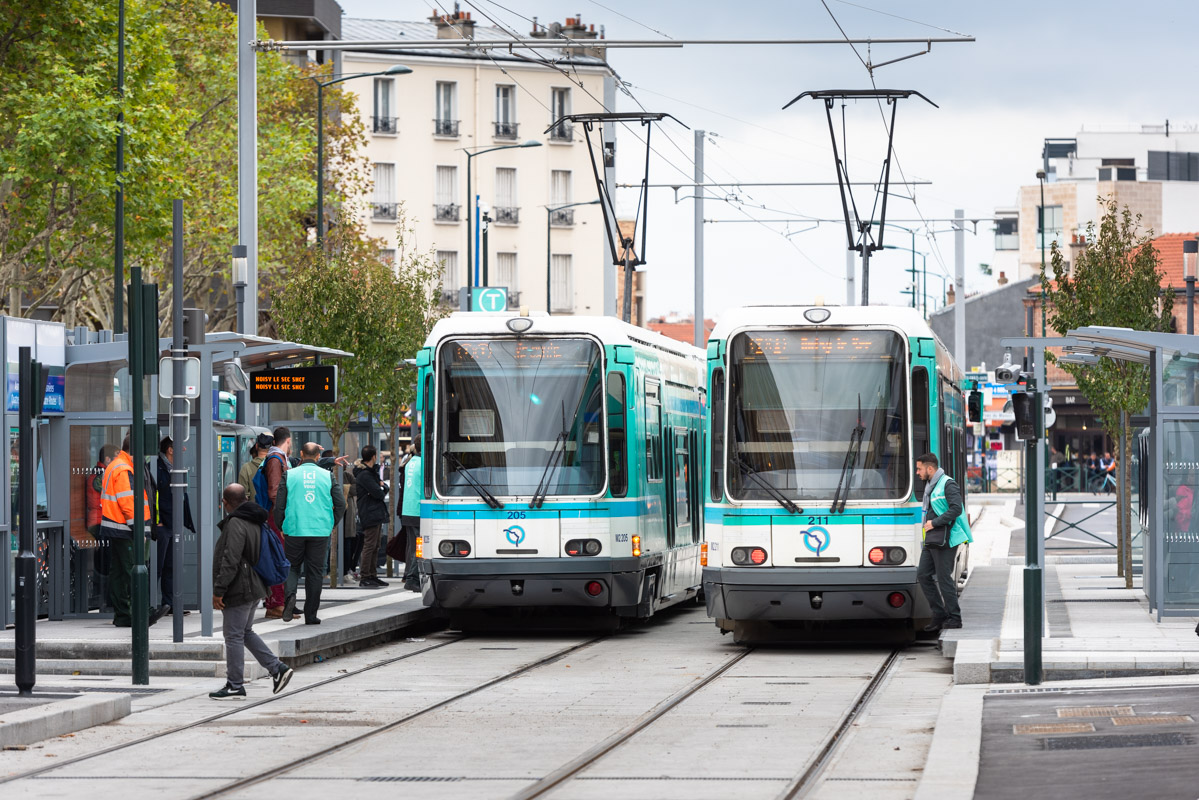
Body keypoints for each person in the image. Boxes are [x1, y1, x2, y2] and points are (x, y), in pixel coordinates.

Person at [210, 483, 294, 700]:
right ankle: (277, 669)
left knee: (234, 635)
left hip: (240, 588)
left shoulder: (237, 522)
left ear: (225, 502)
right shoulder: (256, 520)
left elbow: (231, 559)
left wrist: (219, 590)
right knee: (245, 632)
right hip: (255, 585)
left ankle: (235, 684)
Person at [274, 442, 345, 624]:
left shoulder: (289, 475)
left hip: (294, 529)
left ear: (301, 453)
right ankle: (311, 614)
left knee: (292, 567)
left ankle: (290, 597)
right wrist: (331, 523)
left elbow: (280, 505)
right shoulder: (327, 476)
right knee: (314, 573)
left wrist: (281, 525)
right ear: (317, 457)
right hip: (320, 530)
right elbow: (341, 504)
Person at [100, 433, 164, 628]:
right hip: (126, 529)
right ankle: (141, 613)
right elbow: (129, 503)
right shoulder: (124, 469)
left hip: (116, 528)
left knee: (119, 574)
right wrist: (140, 531)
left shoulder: (116, 466)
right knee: (134, 571)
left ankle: (123, 615)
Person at [914, 453, 972, 632]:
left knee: (944, 578)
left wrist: (935, 522)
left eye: (919, 468)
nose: (917, 472)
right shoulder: (930, 486)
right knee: (923, 574)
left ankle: (955, 617)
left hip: (946, 539)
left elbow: (956, 508)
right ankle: (939, 613)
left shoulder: (947, 483)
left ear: (930, 468)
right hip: (932, 538)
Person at [155, 436, 195, 616]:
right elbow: (154, 496)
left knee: (171, 565)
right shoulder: (157, 468)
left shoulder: (174, 468)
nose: (184, 450)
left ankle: (169, 604)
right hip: (162, 524)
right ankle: (147, 604)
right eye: (181, 446)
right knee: (158, 566)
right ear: (170, 450)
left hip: (174, 523)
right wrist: (158, 521)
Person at [261, 427, 292, 618]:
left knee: (279, 557)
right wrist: (281, 520)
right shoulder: (275, 459)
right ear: (288, 441)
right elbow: (274, 492)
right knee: (277, 557)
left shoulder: (278, 457)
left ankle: (279, 602)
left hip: (276, 515)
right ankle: (275, 604)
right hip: (275, 516)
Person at [354, 445, 389, 588]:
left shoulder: (370, 473)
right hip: (369, 513)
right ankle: (365, 577)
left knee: (376, 545)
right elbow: (379, 493)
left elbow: (379, 490)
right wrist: (382, 487)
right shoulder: (365, 475)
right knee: (369, 545)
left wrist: (381, 487)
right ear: (374, 456)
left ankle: (372, 575)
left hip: (375, 513)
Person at [400, 443, 422, 593]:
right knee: (420, 548)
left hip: (408, 509)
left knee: (414, 548)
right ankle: (412, 579)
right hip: (418, 510)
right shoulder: (423, 462)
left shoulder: (410, 462)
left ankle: (411, 576)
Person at [238, 434, 272, 505]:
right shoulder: (274, 466)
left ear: (256, 446)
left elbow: (242, 497)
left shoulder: (246, 468)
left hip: (253, 513)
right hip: (271, 513)